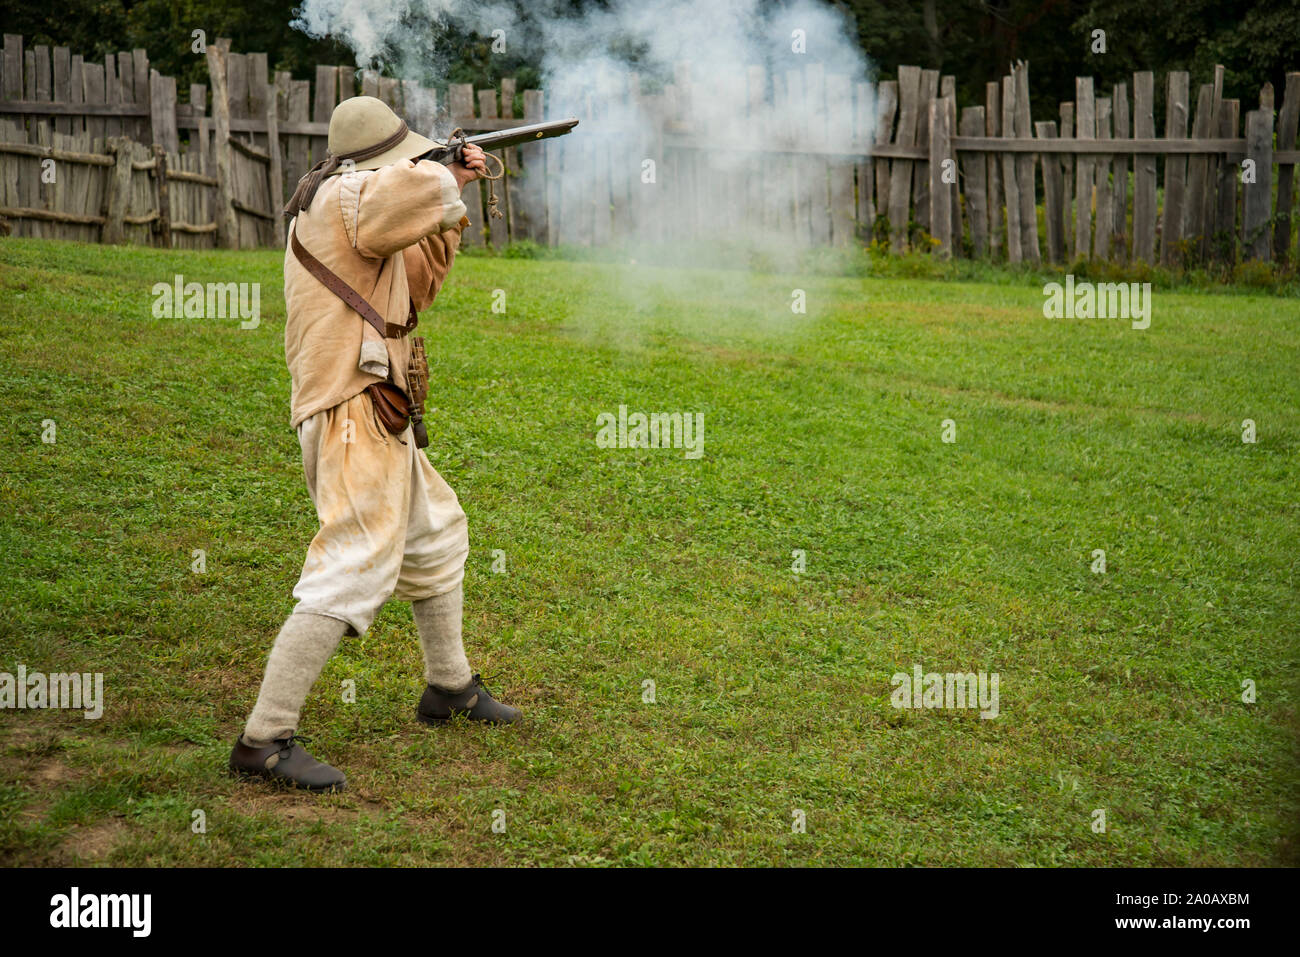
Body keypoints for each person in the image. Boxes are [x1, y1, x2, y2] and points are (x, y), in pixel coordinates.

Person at [229, 95, 519, 794]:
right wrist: (446, 169)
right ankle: (263, 738)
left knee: (435, 535)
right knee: (354, 560)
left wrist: (453, 184)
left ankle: (448, 687)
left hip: (377, 405)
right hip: (350, 409)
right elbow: (406, 197)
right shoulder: (341, 198)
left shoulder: (360, 202)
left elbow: (411, 290)